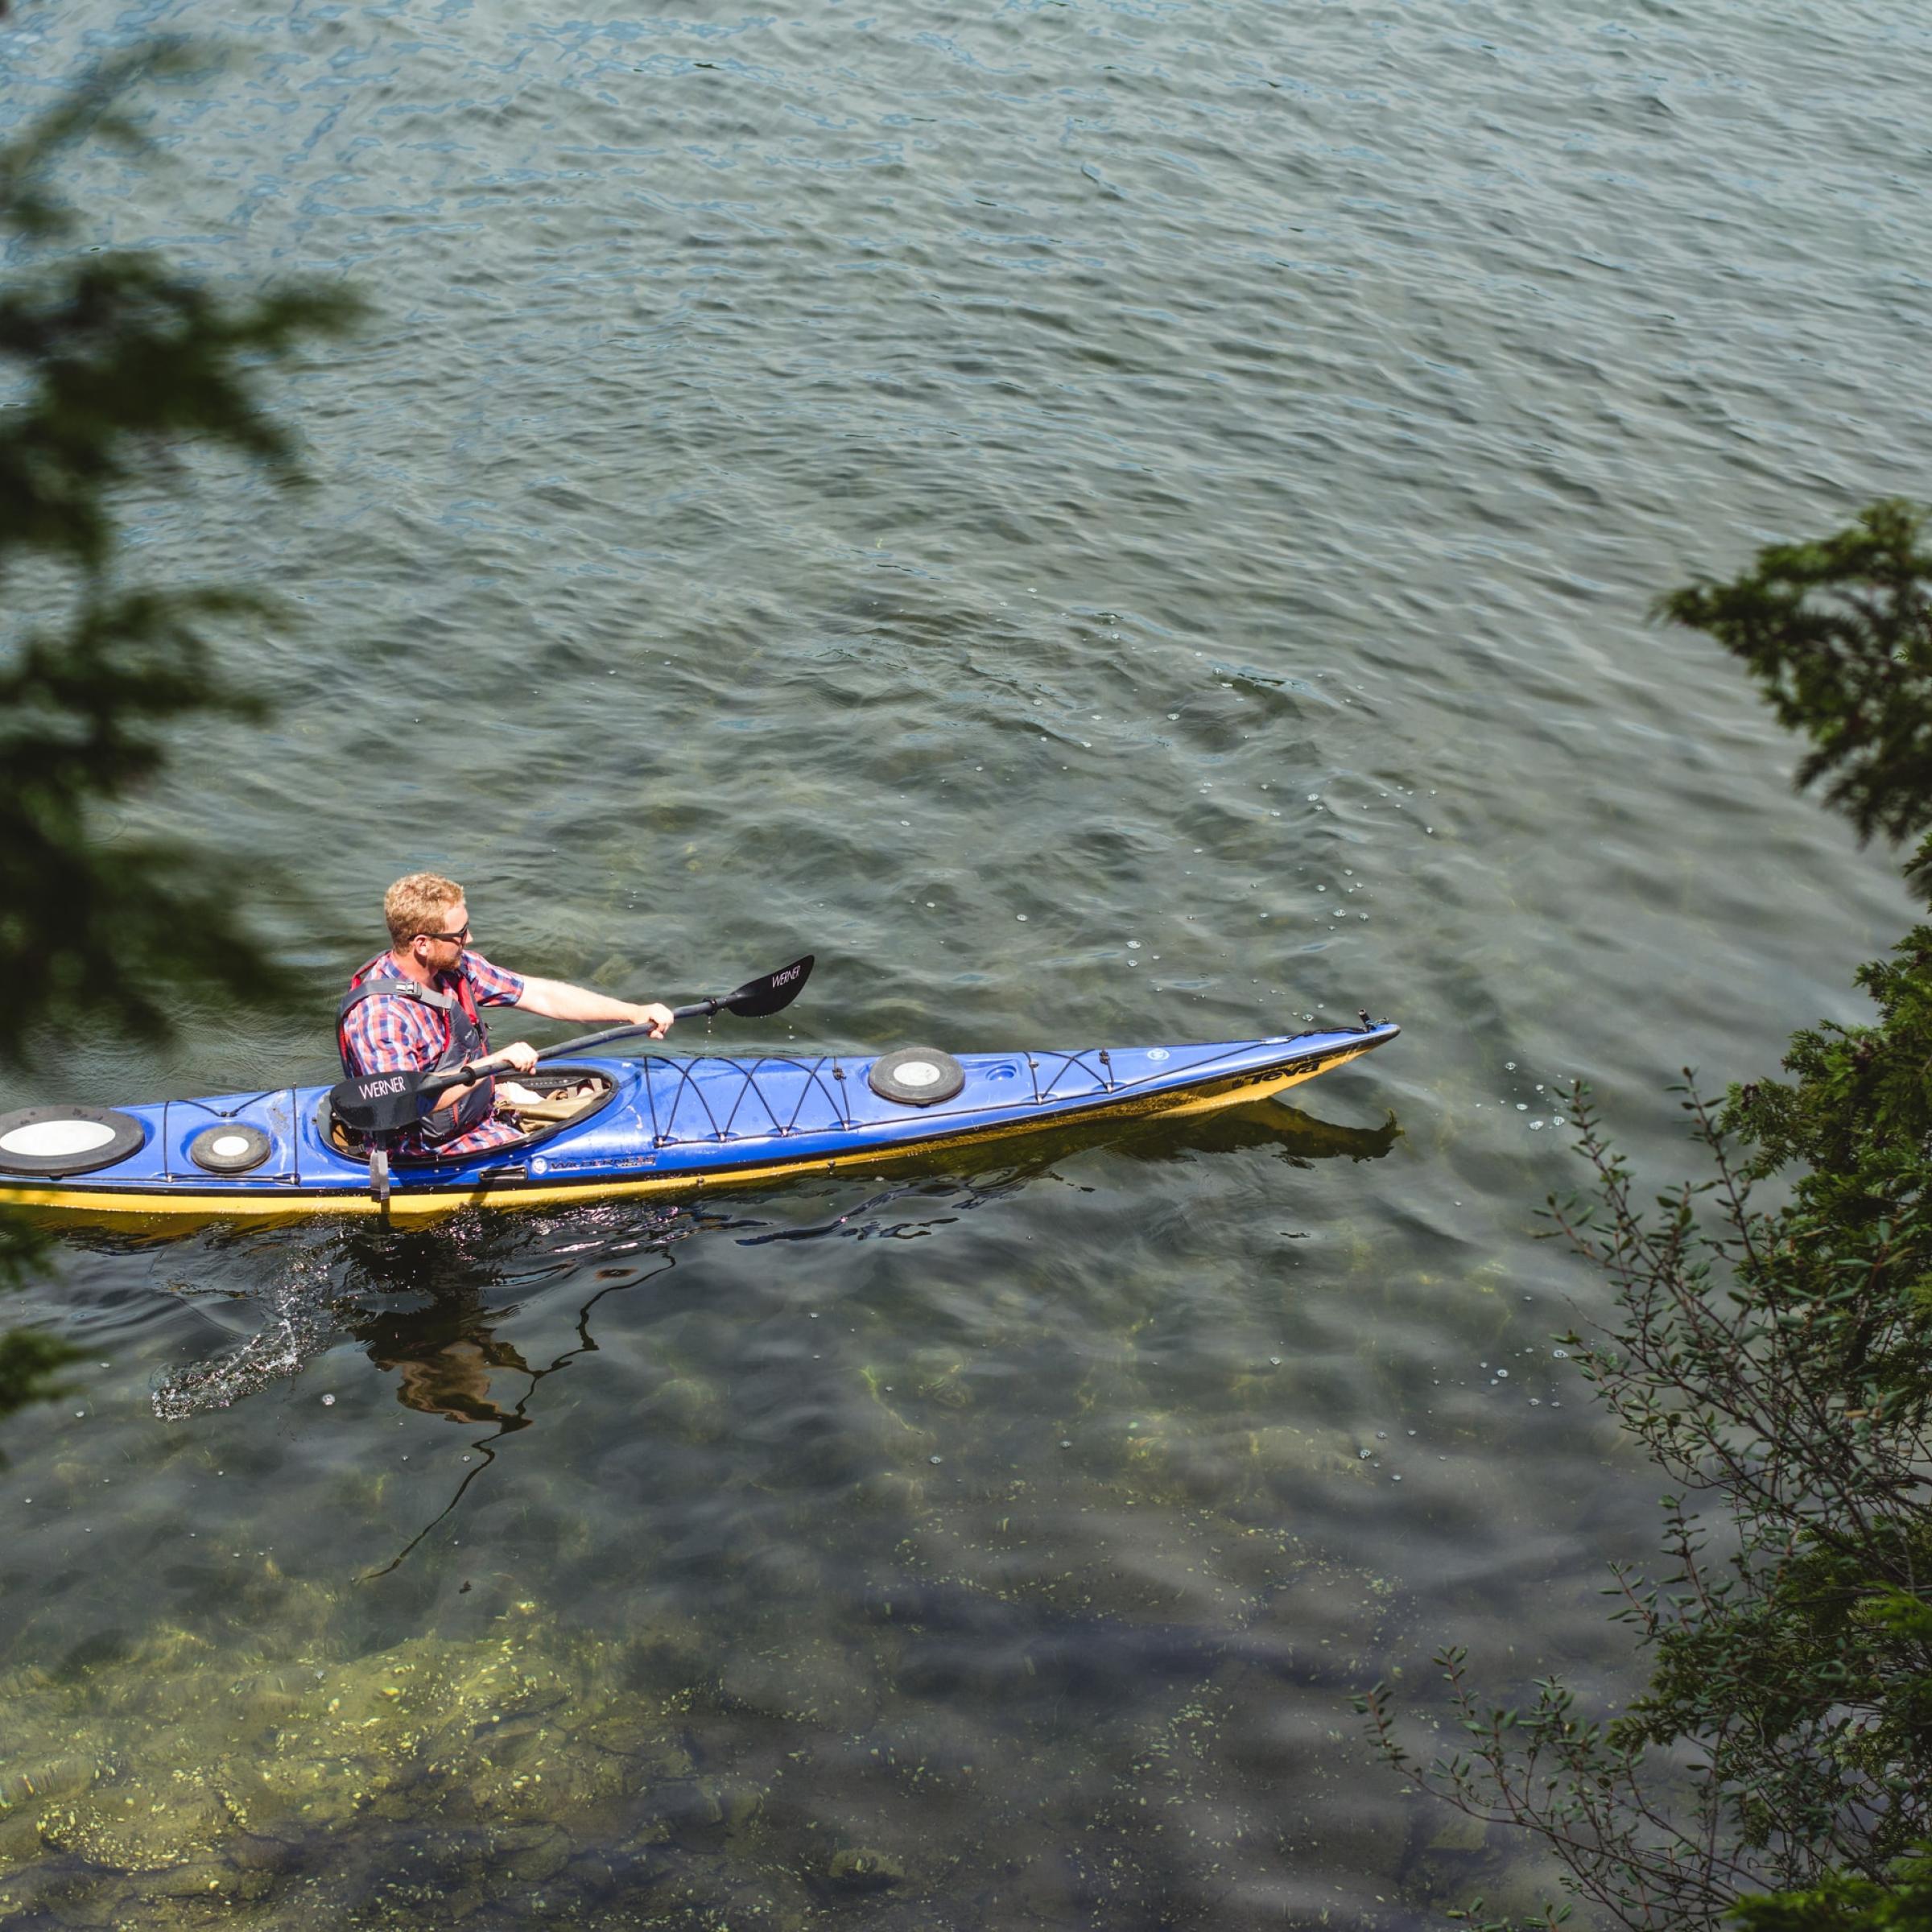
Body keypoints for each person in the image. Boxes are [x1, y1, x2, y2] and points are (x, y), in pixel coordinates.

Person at [338, 872, 674, 1158]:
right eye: (460, 934)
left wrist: (632, 1012)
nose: (470, 939)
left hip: (475, 1108)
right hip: (425, 1149)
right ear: (423, 944)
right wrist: (493, 1065)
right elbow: (406, 1105)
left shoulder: (455, 968)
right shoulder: (382, 1018)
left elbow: (541, 994)